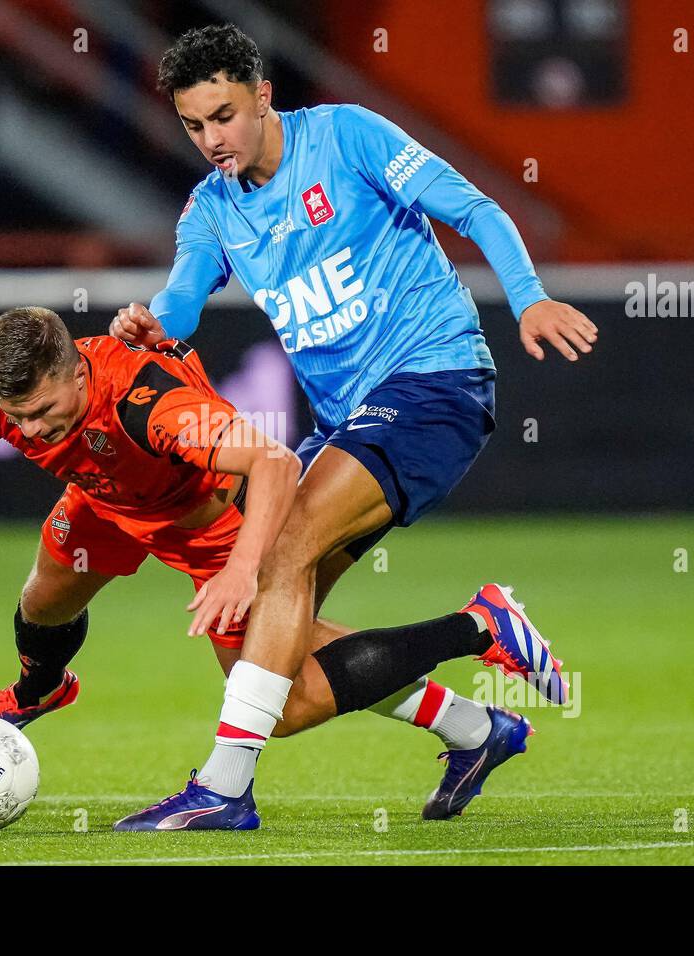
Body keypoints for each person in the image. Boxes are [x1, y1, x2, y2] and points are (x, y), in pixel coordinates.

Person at [0, 308, 560, 830]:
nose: (31, 430)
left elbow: (274, 462)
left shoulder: (147, 404)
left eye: (47, 415)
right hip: (108, 505)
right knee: (44, 598)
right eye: (18, 419)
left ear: (77, 373)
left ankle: (478, 627)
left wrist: (242, 570)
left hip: (214, 529)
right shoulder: (1, 401)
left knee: (283, 701)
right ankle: (42, 687)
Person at [110, 24, 587, 830]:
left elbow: (473, 208)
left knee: (285, 545)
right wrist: (158, 326)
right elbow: (185, 297)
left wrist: (529, 294)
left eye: (224, 115)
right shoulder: (212, 211)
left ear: (264, 96)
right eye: (194, 125)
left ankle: (224, 790)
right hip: (346, 422)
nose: (212, 139)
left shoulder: (345, 137)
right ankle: (477, 713)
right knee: (278, 675)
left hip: (436, 380)